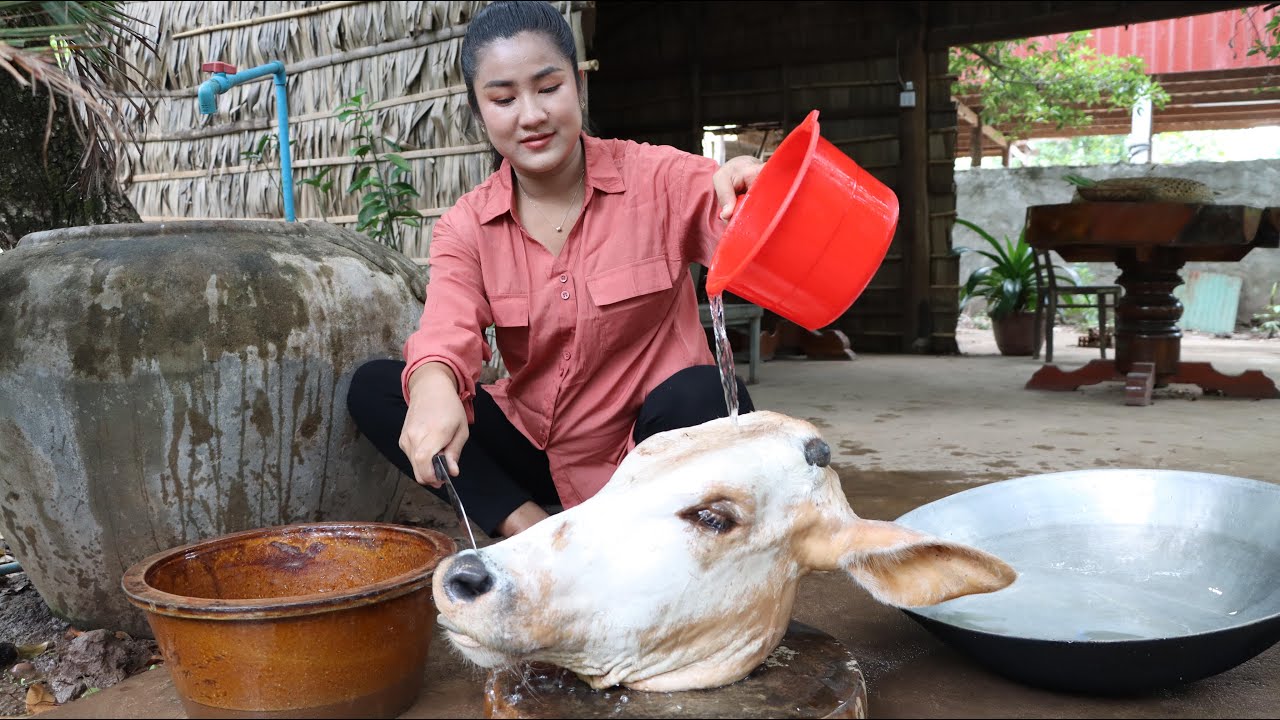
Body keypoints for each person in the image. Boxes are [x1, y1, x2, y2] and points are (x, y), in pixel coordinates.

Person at [347, 0, 764, 540]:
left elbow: (734, 215)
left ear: (578, 88)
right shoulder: (466, 226)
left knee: (703, 394)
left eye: (548, 88)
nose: (531, 115)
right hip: (545, 456)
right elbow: (445, 331)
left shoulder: (659, 177)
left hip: (654, 462)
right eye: (503, 98)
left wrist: (755, 193)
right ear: (480, 112)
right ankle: (541, 538)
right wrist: (433, 388)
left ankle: (647, 545)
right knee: (377, 387)